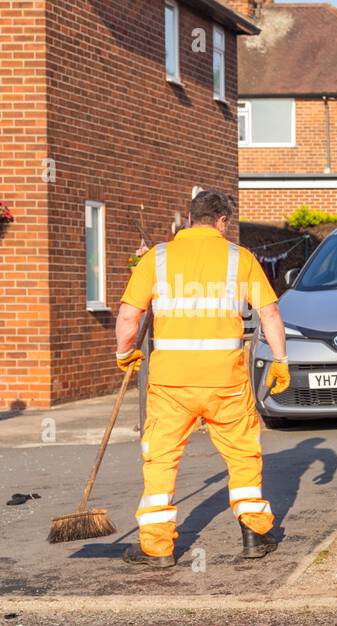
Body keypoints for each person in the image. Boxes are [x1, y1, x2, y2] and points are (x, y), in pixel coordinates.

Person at [114, 190, 291, 567]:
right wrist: (280, 360)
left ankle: (157, 547)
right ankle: (254, 533)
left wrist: (124, 353)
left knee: (160, 459)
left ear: (190, 219)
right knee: (242, 454)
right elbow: (270, 313)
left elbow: (129, 316)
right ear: (222, 221)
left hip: (170, 384)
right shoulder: (239, 258)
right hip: (224, 380)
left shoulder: (157, 259)